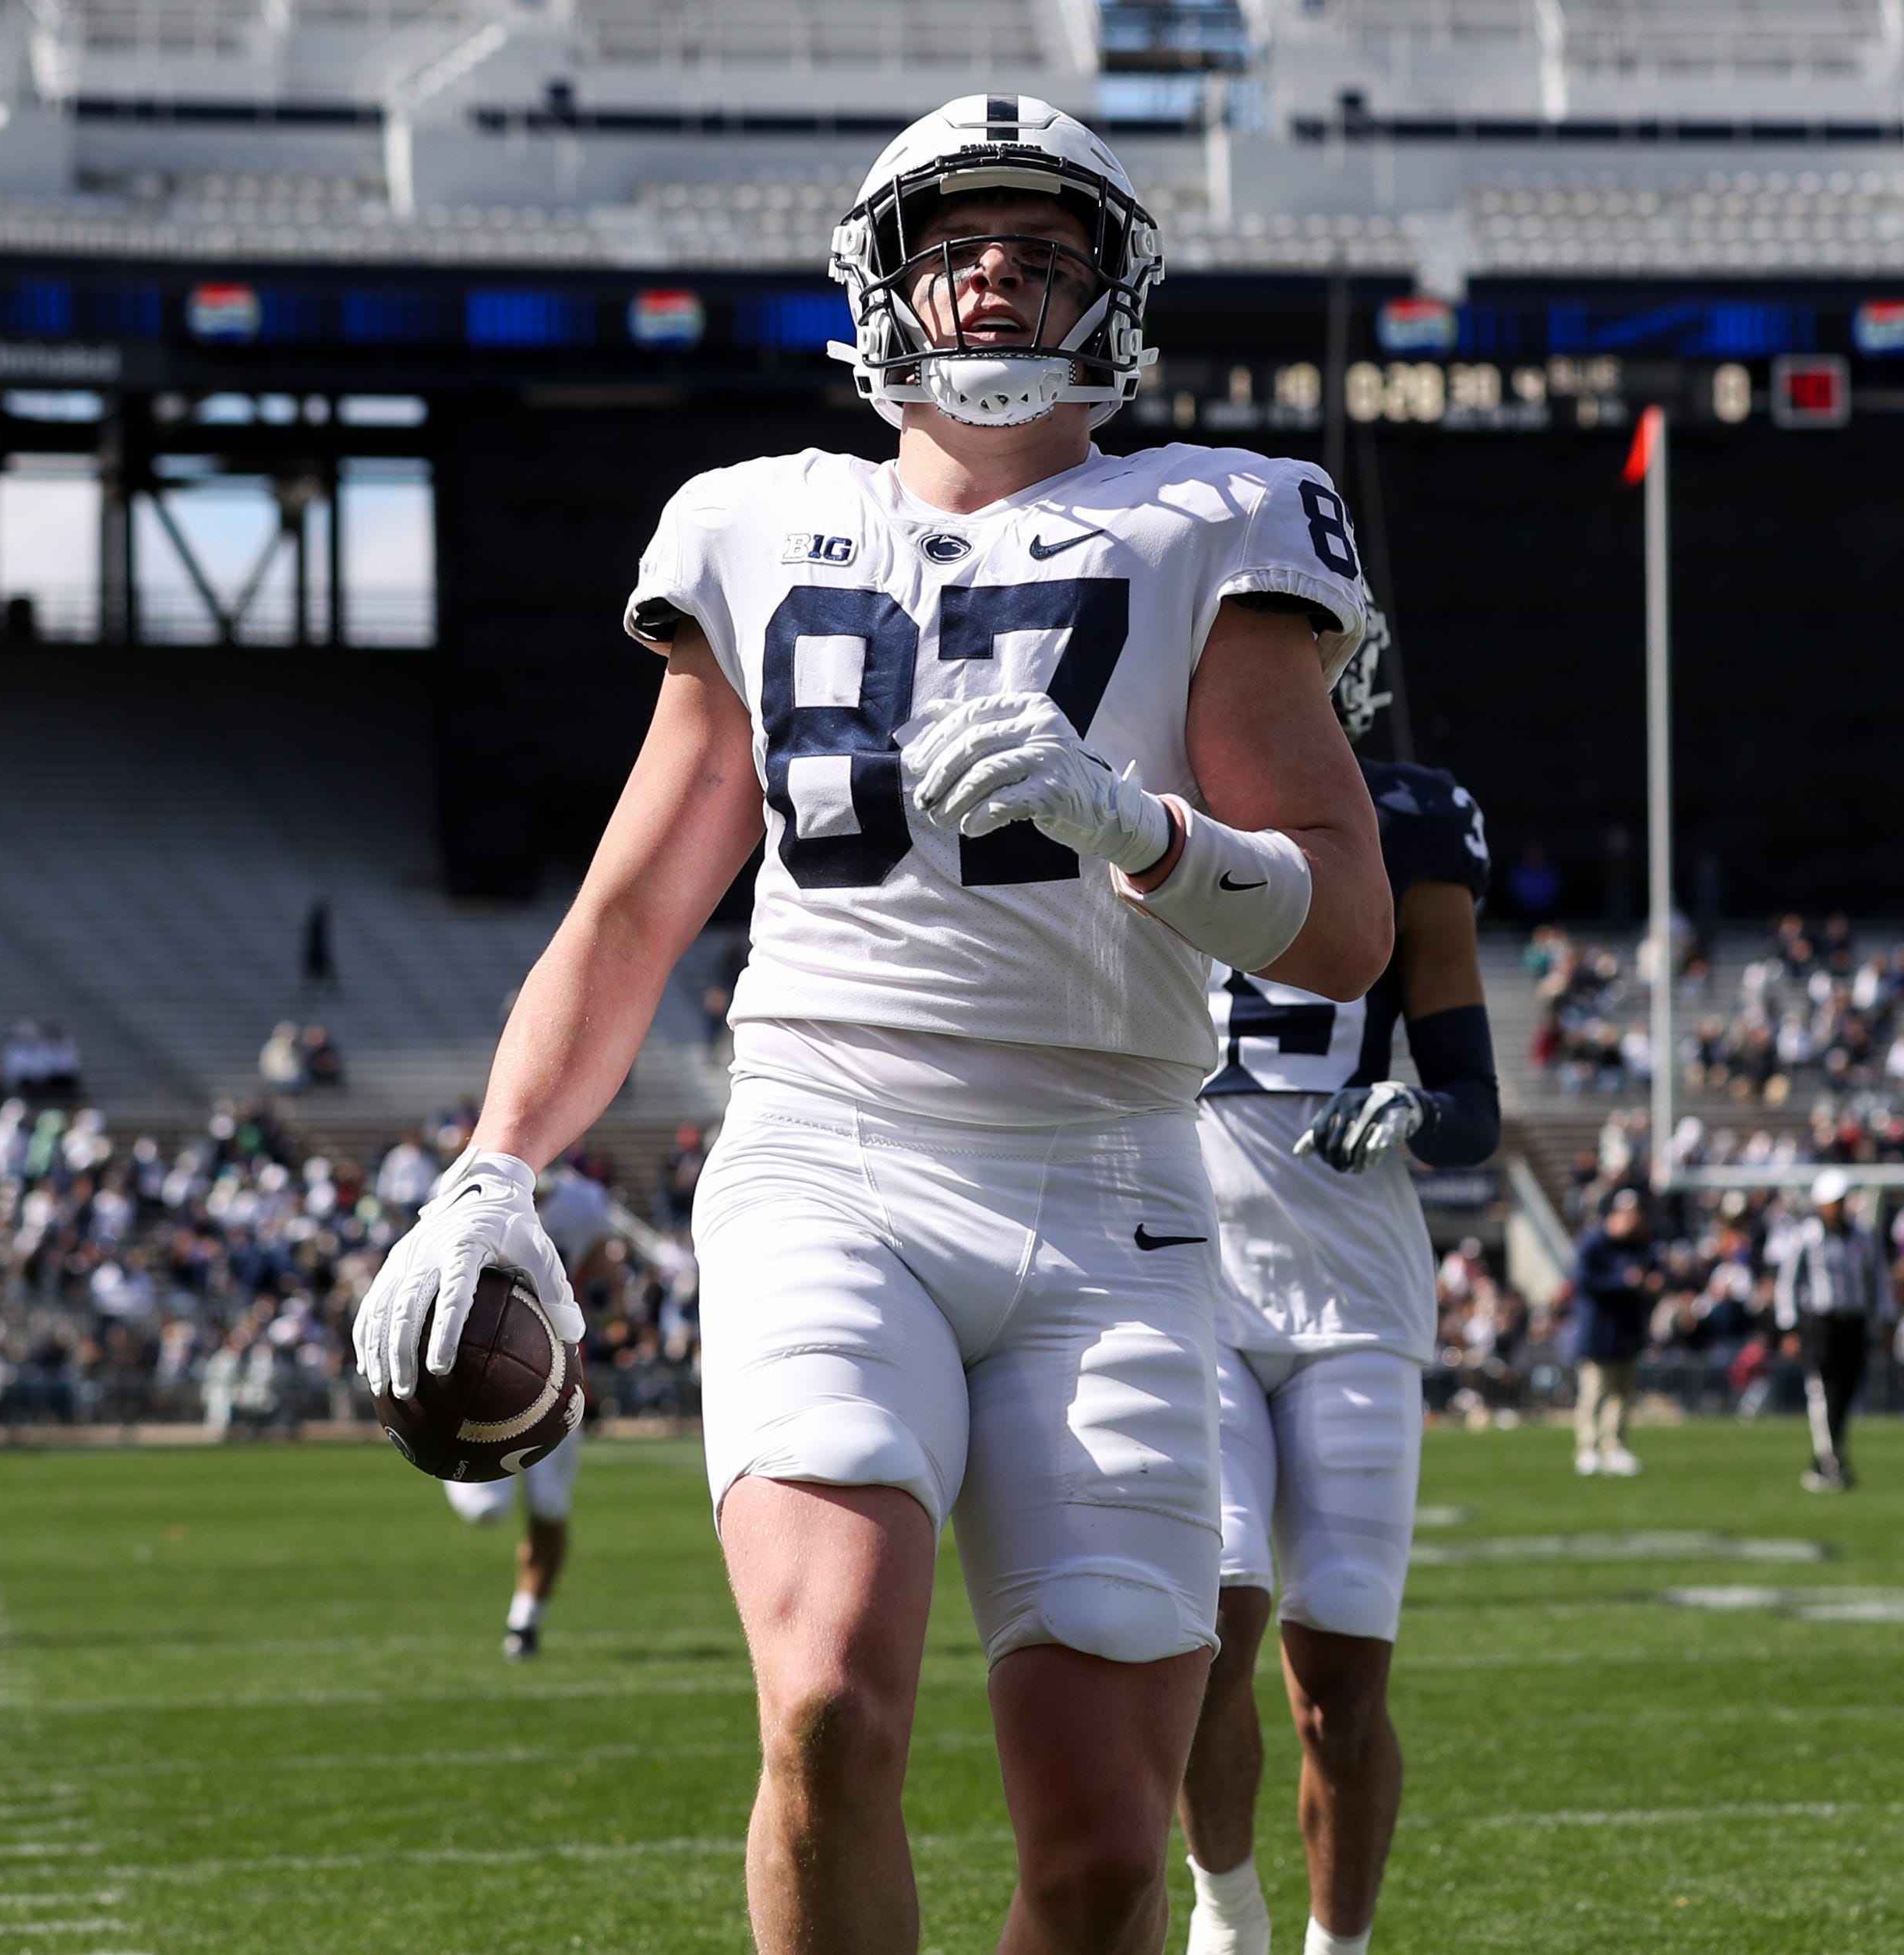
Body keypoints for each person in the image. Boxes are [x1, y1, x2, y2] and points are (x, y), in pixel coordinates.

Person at [352, 92, 1390, 1955]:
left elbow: (1348, 926)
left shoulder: (1219, 513)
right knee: (829, 1700)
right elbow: (632, 909)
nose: (993, 274)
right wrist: (494, 1165)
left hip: (1115, 1181)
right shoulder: (755, 522)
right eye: (954, 245)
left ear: (1114, 292)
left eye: (1042, 248)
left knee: (1102, 1848)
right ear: (879, 285)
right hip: (829, 1154)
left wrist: (1141, 829)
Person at [1175, 611, 1498, 1955]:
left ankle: (1337, 1946)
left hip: (1350, 1290)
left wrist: (1410, 1109)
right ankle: (1225, 1912)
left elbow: (1472, 1102)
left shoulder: (1410, 818)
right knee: (1200, 1640)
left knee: (1338, 1692)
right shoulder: (1144, 790)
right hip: (1185, 1272)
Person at [1771, 1167, 1892, 1493]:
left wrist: (1884, 1317)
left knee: (1846, 1392)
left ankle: (1830, 1455)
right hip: (1820, 1324)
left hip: (1853, 1322)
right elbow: (1788, 1283)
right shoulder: (1807, 1236)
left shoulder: (1864, 1237)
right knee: (1823, 1391)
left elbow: (1878, 1278)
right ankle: (1829, 1458)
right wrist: (1789, 1327)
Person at [445, 1414, 583, 1660]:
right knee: (484, 1508)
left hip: (551, 1397)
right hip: (478, 1407)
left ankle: (525, 1624)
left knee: (549, 1505)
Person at [1568, 1188, 1655, 1476]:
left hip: (1626, 1333)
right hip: (1597, 1334)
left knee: (1621, 1396)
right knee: (1594, 1395)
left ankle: (1615, 1447)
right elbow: (1584, 1281)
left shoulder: (1637, 1246)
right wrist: (1622, 1281)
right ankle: (1588, 1449)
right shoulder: (1593, 1244)